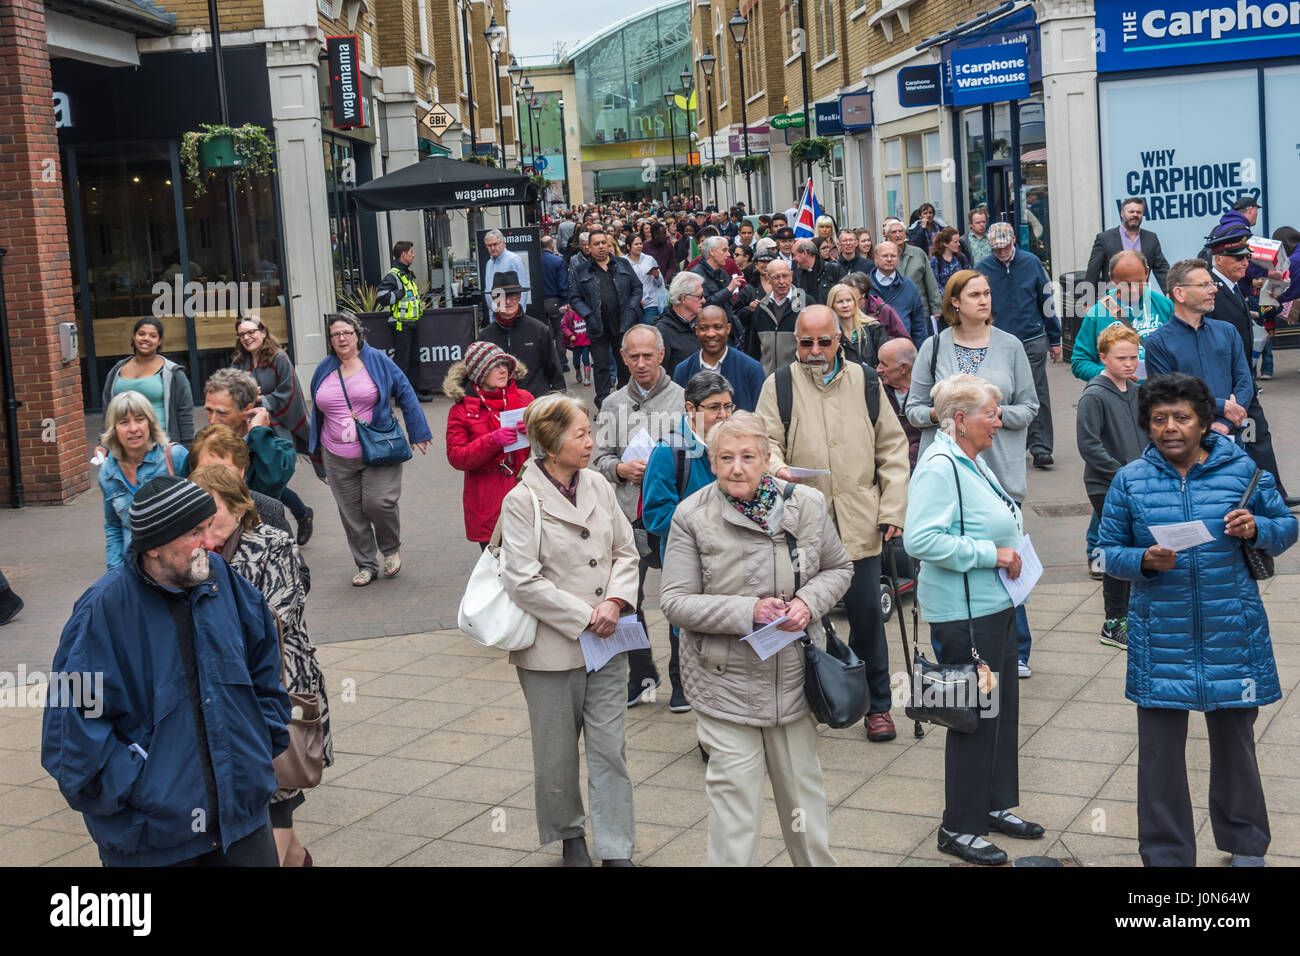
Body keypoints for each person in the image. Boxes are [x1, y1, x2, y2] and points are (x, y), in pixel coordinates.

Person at [1097, 373, 1297, 867]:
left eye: (1182, 418)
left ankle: (1246, 844)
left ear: (1203, 422)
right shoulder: (1129, 481)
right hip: (1161, 638)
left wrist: (1257, 528)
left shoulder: (1241, 470)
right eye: (1159, 419)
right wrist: (1142, 561)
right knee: (1160, 758)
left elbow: (1286, 527)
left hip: (1232, 630)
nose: (1170, 428)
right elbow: (1101, 553)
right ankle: (1167, 855)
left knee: (1236, 749)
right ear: (1147, 424)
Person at [42, 475, 289, 867]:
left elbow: (266, 668)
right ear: (153, 546)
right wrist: (144, 788)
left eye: (208, 527)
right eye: (194, 533)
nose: (210, 543)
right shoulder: (101, 614)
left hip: (244, 828)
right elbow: (71, 734)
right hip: (154, 846)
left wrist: (259, 744)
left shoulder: (224, 582)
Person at [660, 411, 853, 866]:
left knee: (804, 804)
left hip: (793, 680)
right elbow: (674, 601)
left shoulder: (805, 504)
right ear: (711, 462)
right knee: (734, 811)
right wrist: (748, 612)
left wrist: (807, 603)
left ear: (767, 458)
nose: (737, 467)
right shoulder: (692, 515)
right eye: (725, 457)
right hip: (723, 682)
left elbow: (839, 567)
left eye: (748, 456)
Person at [903, 374, 1042, 865]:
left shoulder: (969, 458)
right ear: (960, 420)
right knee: (974, 718)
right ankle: (958, 827)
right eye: (991, 413)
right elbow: (919, 540)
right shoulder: (940, 465)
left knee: (1001, 713)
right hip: (964, 613)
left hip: (995, 605)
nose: (999, 420)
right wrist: (993, 553)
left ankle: (994, 805)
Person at [757, 305, 911, 742]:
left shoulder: (865, 381)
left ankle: (877, 705)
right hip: (803, 526)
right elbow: (765, 442)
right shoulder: (779, 384)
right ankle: (811, 701)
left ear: (839, 339)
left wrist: (892, 509)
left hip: (861, 524)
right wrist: (777, 467)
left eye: (824, 341)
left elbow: (892, 448)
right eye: (806, 342)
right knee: (802, 620)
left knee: (867, 619)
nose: (815, 350)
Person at [498, 394, 639, 867]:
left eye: (589, 431)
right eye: (580, 434)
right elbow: (521, 580)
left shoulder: (598, 483)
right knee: (556, 754)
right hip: (552, 649)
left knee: (610, 750)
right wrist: (586, 616)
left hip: (610, 641)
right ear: (550, 441)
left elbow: (626, 550)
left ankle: (616, 846)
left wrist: (615, 602)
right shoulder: (521, 500)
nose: (590, 441)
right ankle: (569, 835)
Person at [190, 465, 330, 868]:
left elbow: (278, 616)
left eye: (210, 509)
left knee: (273, 803)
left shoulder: (274, 545)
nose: (201, 522)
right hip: (225, 700)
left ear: (238, 509)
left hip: (278, 694)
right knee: (270, 818)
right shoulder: (193, 554)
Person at [907, 270, 1040, 677]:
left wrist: (994, 414)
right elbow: (912, 409)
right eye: (974, 294)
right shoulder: (933, 346)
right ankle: (957, 659)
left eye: (987, 293)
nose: (984, 300)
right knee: (955, 554)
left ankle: (1014, 650)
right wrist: (948, 415)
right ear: (955, 303)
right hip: (952, 468)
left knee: (1006, 558)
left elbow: (1031, 407)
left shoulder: (1011, 345)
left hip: (999, 469)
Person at [1144, 259, 1298, 505]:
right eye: (1204, 285)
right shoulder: (1158, 343)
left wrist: (1226, 422)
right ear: (1179, 293)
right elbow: (1167, 394)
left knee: (1241, 509)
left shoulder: (1227, 331)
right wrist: (1221, 406)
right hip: (1186, 446)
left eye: (1212, 283)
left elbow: (1244, 382)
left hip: (1233, 441)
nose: (1214, 289)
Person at [591, 325, 686, 708]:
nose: (642, 363)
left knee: (681, 600)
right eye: (634, 356)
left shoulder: (683, 400)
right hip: (627, 517)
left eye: (649, 355)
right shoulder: (612, 403)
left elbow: (696, 455)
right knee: (627, 600)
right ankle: (642, 671)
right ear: (623, 356)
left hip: (673, 517)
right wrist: (619, 469)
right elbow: (596, 460)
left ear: (662, 354)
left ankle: (682, 679)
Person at [308, 312, 433, 587]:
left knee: (379, 503)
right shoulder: (324, 368)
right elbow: (316, 410)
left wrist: (418, 431)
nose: (341, 338)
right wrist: (313, 448)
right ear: (330, 340)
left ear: (357, 334)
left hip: (378, 448)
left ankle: (390, 549)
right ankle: (365, 564)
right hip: (336, 453)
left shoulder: (376, 360)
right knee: (351, 513)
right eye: (335, 335)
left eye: (346, 333)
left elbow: (405, 390)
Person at [640, 371, 736, 717]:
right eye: (714, 408)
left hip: (731, 559)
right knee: (689, 625)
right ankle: (685, 685)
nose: (724, 415)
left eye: (728, 406)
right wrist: (706, 529)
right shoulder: (670, 451)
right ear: (691, 409)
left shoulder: (733, 444)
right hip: (689, 560)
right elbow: (655, 514)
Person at [1075, 324, 1145, 650]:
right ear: (1103, 357)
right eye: (1122, 358)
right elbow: (1089, 446)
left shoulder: (1136, 391)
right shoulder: (1094, 394)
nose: (1130, 363)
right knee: (1118, 549)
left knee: (1134, 546)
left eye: (1134, 357)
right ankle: (1113, 622)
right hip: (1106, 485)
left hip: (1136, 483)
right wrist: (1122, 475)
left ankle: (1132, 615)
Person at [977, 221, 1062, 469]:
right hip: (998, 341)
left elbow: (1046, 300)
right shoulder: (983, 268)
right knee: (1002, 393)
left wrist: (1055, 338)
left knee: (1036, 392)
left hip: (1031, 337)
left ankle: (1041, 447)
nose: (1001, 253)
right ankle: (1011, 443)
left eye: (1004, 247)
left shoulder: (1031, 262)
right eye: (996, 249)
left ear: (1014, 240)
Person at [232, 316, 314, 545]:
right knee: (258, 480)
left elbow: (290, 391)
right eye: (242, 334)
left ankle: (282, 533)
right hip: (248, 428)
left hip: (276, 428)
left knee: (272, 479)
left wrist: (261, 398)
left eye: (251, 332)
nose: (247, 337)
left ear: (263, 332)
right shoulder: (239, 362)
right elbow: (231, 390)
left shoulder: (279, 358)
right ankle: (300, 514)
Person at [444, 342, 534, 547]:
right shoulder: (461, 410)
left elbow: (551, 444)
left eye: (505, 364)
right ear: (480, 373)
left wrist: (536, 432)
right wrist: (493, 440)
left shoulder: (524, 398)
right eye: (496, 366)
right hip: (487, 499)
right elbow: (457, 457)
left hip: (525, 493)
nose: (503, 370)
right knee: (496, 569)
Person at [99, 390, 189, 569]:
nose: (133, 428)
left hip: (178, 566)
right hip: (134, 569)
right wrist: (115, 572)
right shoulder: (107, 474)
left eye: (139, 419)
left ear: (150, 423)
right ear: (114, 429)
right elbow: (114, 527)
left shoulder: (174, 457)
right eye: (124, 422)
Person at [1070, 250, 1172, 383]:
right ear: (1111, 279)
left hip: (1160, 396)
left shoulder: (1165, 306)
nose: (1134, 290)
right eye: (1126, 285)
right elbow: (1079, 362)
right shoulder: (1097, 314)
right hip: (1117, 398)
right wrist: (1108, 375)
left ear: (1147, 272)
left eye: (1139, 282)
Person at [570, 229, 645, 406]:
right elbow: (574, 298)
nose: (601, 247)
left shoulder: (622, 264)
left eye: (604, 242)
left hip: (624, 323)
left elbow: (637, 288)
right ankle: (603, 404)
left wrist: (632, 307)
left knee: (625, 365)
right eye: (596, 244)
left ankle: (627, 400)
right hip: (597, 325)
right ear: (589, 247)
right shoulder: (580, 270)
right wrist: (588, 315)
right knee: (602, 367)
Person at [200, 368, 297, 499]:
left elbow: (272, 482)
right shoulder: (202, 446)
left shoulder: (279, 448)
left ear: (248, 409)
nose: (212, 420)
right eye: (209, 410)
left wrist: (258, 433)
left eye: (222, 413)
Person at [101, 317, 194, 445]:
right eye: (141, 334)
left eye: (152, 335)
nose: (146, 338)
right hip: (123, 444)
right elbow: (107, 410)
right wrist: (103, 444)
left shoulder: (172, 372)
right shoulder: (117, 370)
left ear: (159, 341)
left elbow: (185, 413)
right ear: (134, 337)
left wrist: (186, 446)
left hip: (160, 444)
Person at [189, 424, 293, 537]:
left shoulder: (269, 511)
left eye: (224, 471)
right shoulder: (182, 515)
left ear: (242, 471)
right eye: (206, 469)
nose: (215, 479)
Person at [477, 271, 565, 399]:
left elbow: (555, 372)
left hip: (535, 407)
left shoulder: (539, 330)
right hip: (498, 409)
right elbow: (478, 379)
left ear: (519, 297)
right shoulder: (485, 337)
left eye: (512, 295)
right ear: (494, 299)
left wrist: (560, 405)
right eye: (501, 296)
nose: (507, 301)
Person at [672, 305, 766, 412]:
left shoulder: (751, 369)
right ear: (696, 331)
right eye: (703, 328)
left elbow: (760, 418)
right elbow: (680, 417)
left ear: (728, 329)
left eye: (717, 327)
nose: (711, 334)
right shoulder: (683, 370)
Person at [374, 240, 431, 400]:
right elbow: (381, 297)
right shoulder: (393, 275)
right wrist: (398, 294)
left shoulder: (406, 273)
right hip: (400, 325)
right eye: (411, 252)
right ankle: (401, 396)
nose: (413, 255)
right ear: (403, 254)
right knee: (402, 363)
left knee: (413, 360)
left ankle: (414, 393)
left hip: (412, 323)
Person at [1083, 197, 1171, 293]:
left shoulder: (1151, 238)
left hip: (1141, 298)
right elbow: (1093, 271)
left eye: (1139, 212)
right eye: (1131, 212)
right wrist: (1088, 302)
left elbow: (1162, 269)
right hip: (1113, 299)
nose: (1135, 215)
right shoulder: (1104, 238)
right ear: (1122, 213)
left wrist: (1170, 294)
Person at [745, 258, 807, 373]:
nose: (782, 281)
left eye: (785, 276)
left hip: (796, 379)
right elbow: (754, 349)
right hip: (767, 380)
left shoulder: (805, 303)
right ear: (768, 279)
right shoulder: (761, 308)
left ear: (792, 275)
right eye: (776, 277)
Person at [871, 241, 928, 345]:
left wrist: (919, 355)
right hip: (873, 351)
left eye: (893, 256)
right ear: (876, 258)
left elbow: (919, 324)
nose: (889, 259)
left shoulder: (908, 286)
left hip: (903, 349)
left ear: (898, 258)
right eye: (885, 256)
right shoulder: (865, 286)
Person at [885, 218, 942, 320]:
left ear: (905, 234)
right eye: (894, 232)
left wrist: (936, 308)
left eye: (901, 231)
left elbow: (930, 282)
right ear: (887, 236)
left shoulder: (918, 253)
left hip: (920, 310)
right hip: (894, 313)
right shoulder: (883, 256)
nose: (898, 235)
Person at [877, 338, 921, 469]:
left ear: (903, 368)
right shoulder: (876, 390)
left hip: (918, 466)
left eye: (884, 364)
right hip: (885, 466)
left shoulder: (928, 395)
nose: (878, 369)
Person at [657, 271, 707, 375]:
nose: (704, 301)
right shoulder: (663, 332)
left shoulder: (700, 324)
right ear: (684, 299)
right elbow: (659, 375)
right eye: (700, 296)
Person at [828, 281, 889, 368]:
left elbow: (886, 363)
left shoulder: (874, 328)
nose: (845, 305)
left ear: (855, 303)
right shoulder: (829, 334)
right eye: (840, 302)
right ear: (832, 305)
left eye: (848, 300)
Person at [839, 270, 912, 341]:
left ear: (863, 292)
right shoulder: (843, 310)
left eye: (850, 289)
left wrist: (882, 341)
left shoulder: (882, 309)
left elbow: (904, 338)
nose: (846, 293)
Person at [691, 235, 744, 328]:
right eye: (724, 250)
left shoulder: (723, 274)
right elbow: (703, 305)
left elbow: (729, 306)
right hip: (707, 329)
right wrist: (728, 289)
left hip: (725, 327)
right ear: (711, 251)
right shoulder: (696, 275)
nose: (729, 254)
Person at [540, 235, 570, 372]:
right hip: (555, 301)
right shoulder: (558, 261)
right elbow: (562, 283)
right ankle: (562, 362)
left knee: (543, 333)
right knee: (559, 332)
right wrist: (566, 300)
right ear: (552, 246)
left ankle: (546, 362)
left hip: (540, 301)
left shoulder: (535, 261)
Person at [482, 228, 531, 312]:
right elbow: (489, 288)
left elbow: (522, 288)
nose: (492, 248)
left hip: (511, 314)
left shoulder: (514, 260)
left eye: (495, 244)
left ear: (503, 243)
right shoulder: (489, 263)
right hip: (495, 314)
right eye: (489, 245)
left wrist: (518, 313)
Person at [626, 232, 666, 325]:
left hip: (650, 302)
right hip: (632, 304)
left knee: (648, 327)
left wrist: (657, 276)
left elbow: (660, 282)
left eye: (640, 243)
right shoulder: (623, 262)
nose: (639, 246)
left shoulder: (649, 259)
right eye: (636, 244)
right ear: (628, 246)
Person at [793, 238, 840, 306]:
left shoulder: (833, 269)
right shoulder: (797, 277)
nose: (793, 259)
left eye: (794, 255)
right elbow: (797, 307)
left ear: (804, 253)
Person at [561, 305, 593, 387]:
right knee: (576, 361)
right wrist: (570, 335)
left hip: (586, 341)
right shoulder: (568, 314)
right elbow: (564, 326)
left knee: (586, 359)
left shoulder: (585, 311)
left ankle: (587, 378)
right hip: (575, 343)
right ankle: (578, 371)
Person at [930, 226, 969, 292]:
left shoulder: (961, 257)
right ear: (945, 244)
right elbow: (935, 284)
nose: (958, 244)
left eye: (958, 241)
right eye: (955, 242)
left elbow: (968, 275)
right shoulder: (935, 261)